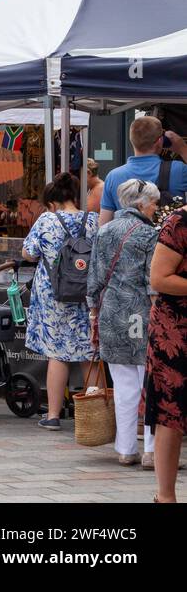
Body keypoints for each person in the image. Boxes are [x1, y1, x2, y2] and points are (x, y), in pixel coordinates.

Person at [88, 178, 163, 468]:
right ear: (142, 203)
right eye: (154, 202)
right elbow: (152, 284)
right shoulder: (148, 235)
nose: (156, 208)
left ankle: (125, 448)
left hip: (110, 315)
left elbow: (93, 280)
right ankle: (152, 451)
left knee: (123, 385)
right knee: (151, 383)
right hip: (141, 316)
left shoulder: (103, 232)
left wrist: (93, 312)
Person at [22, 172, 96, 431]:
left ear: (52, 202)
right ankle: (95, 415)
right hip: (87, 294)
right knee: (90, 353)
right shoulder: (94, 220)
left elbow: (28, 253)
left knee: (58, 353)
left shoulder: (47, 220)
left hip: (54, 294)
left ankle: (53, 415)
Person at [147, 202, 187, 502]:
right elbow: (159, 278)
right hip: (176, 332)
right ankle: (166, 497)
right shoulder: (180, 221)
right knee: (171, 415)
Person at [100, 116, 187, 226]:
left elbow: (104, 224)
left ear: (132, 140)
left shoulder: (113, 176)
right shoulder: (179, 170)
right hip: (166, 241)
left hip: (128, 241)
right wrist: (182, 148)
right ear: (160, 141)